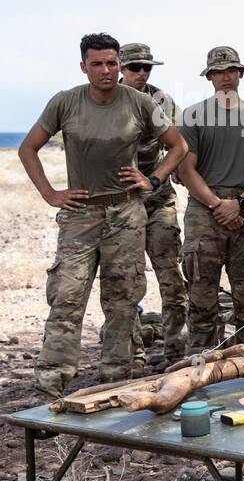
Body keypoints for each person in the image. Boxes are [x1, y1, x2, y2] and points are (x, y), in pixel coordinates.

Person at [21, 33, 187, 396]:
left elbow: (178, 145)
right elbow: (28, 149)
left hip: (126, 213)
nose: (106, 70)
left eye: (111, 63)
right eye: (97, 63)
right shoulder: (65, 102)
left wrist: (152, 179)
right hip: (81, 215)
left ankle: (117, 380)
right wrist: (51, 193)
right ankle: (51, 384)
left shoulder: (139, 102)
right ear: (84, 67)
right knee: (66, 297)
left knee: (122, 300)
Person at [178, 46, 244, 356]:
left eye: (232, 70)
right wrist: (217, 205)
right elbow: (186, 169)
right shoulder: (193, 117)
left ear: (241, 75)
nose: (226, 77)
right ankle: (202, 360)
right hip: (204, 209)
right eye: (219, 72)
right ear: (209, 76)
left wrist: (240, 203)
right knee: (202, 292)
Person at [118, 43, 187, 364]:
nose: (141, 73)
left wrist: (161, 178)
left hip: (158, 200)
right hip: (120, 204)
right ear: (121, 68)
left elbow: (177, 146)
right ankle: (134, 356)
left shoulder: (162, 101)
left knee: (171, 278)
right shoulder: (106, 100)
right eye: (134, 67)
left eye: (147, 67)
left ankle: (176, 352)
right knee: (126, 282)